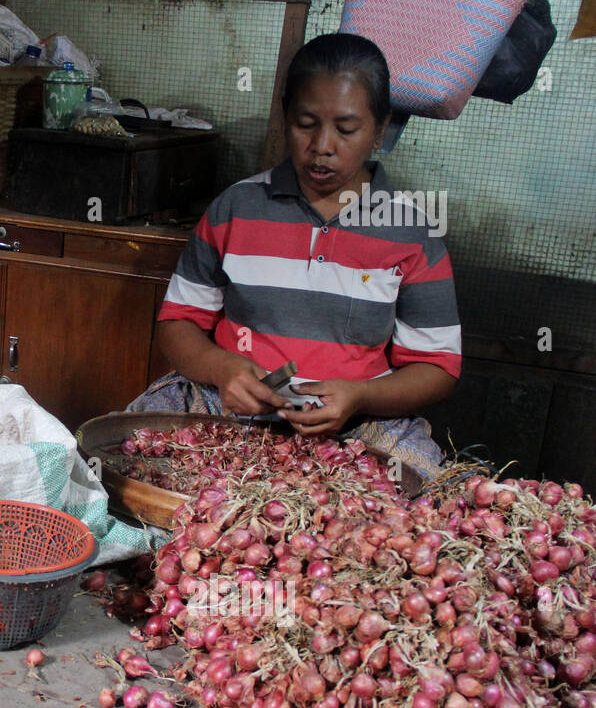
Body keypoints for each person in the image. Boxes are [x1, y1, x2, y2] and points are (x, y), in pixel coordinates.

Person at [129, 33, 460, 478]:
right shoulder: (236, 209)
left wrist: (359, 397)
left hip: (360, 423)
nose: (322, 145)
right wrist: (223, 368)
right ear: (285, 117)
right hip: (228, 407)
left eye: (346, 129)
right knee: (132, 456)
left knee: (417, 495)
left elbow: (436, 367)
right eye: (306, 123)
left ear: (380, 129)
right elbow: (178, 323)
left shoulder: (413, 232)